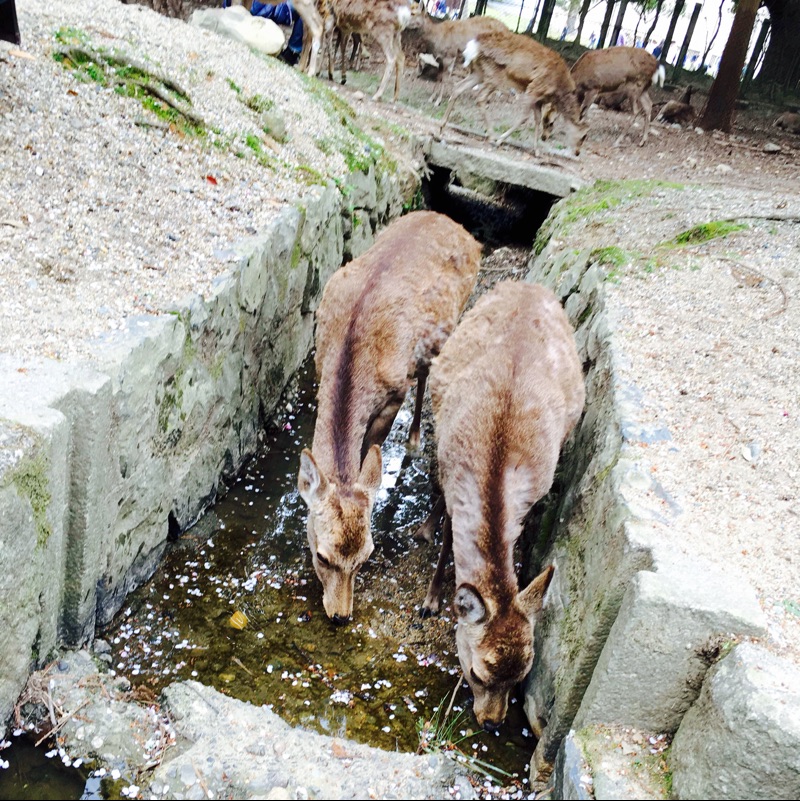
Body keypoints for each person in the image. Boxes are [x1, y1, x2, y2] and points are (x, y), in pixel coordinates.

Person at [223, 0, 304, 65]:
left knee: (307, 7)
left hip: (259, 8)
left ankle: (291, 53)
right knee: (307, 9)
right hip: (266, 8)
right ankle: (292, 52)